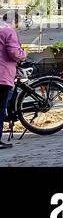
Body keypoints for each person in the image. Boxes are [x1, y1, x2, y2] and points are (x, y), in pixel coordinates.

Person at [0, 15, 27, 149]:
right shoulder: (9, 31)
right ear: (13, 22)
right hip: (2, 75)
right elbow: (15, 54)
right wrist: (24, 53)